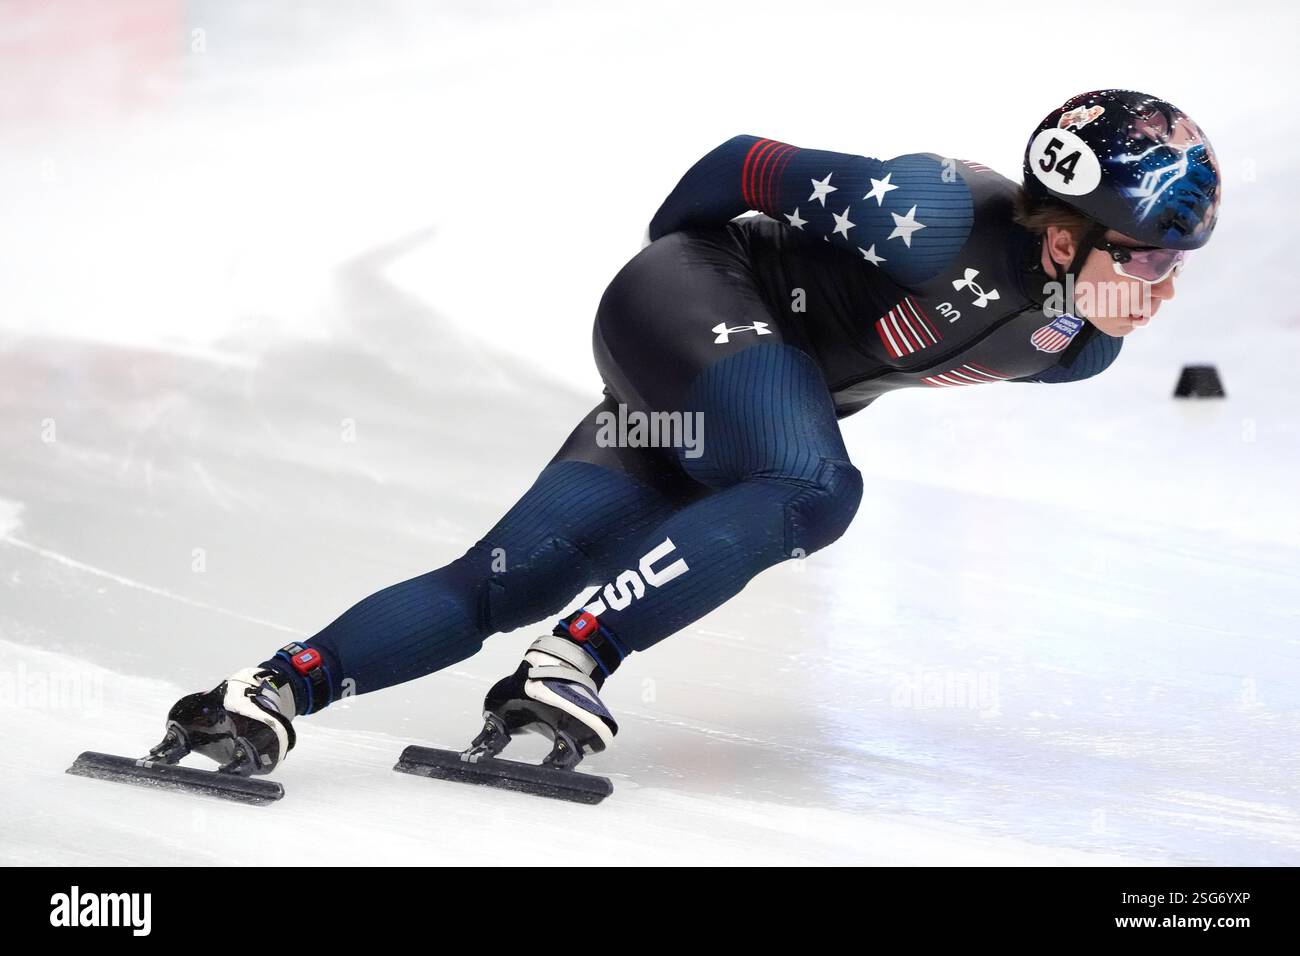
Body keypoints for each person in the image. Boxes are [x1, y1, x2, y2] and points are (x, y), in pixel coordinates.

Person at [158, 89, 1221, 777]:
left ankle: (265, 691)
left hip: (716, 404)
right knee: (817, 487)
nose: (1166, 288)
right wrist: (676, 295)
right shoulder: (931, 209)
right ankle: (579, 651)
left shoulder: (1076, 345)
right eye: (1152, 259)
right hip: (694, 299)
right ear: (1066, 230)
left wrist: (722, 394)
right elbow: (737, 163)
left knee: (506, 577)